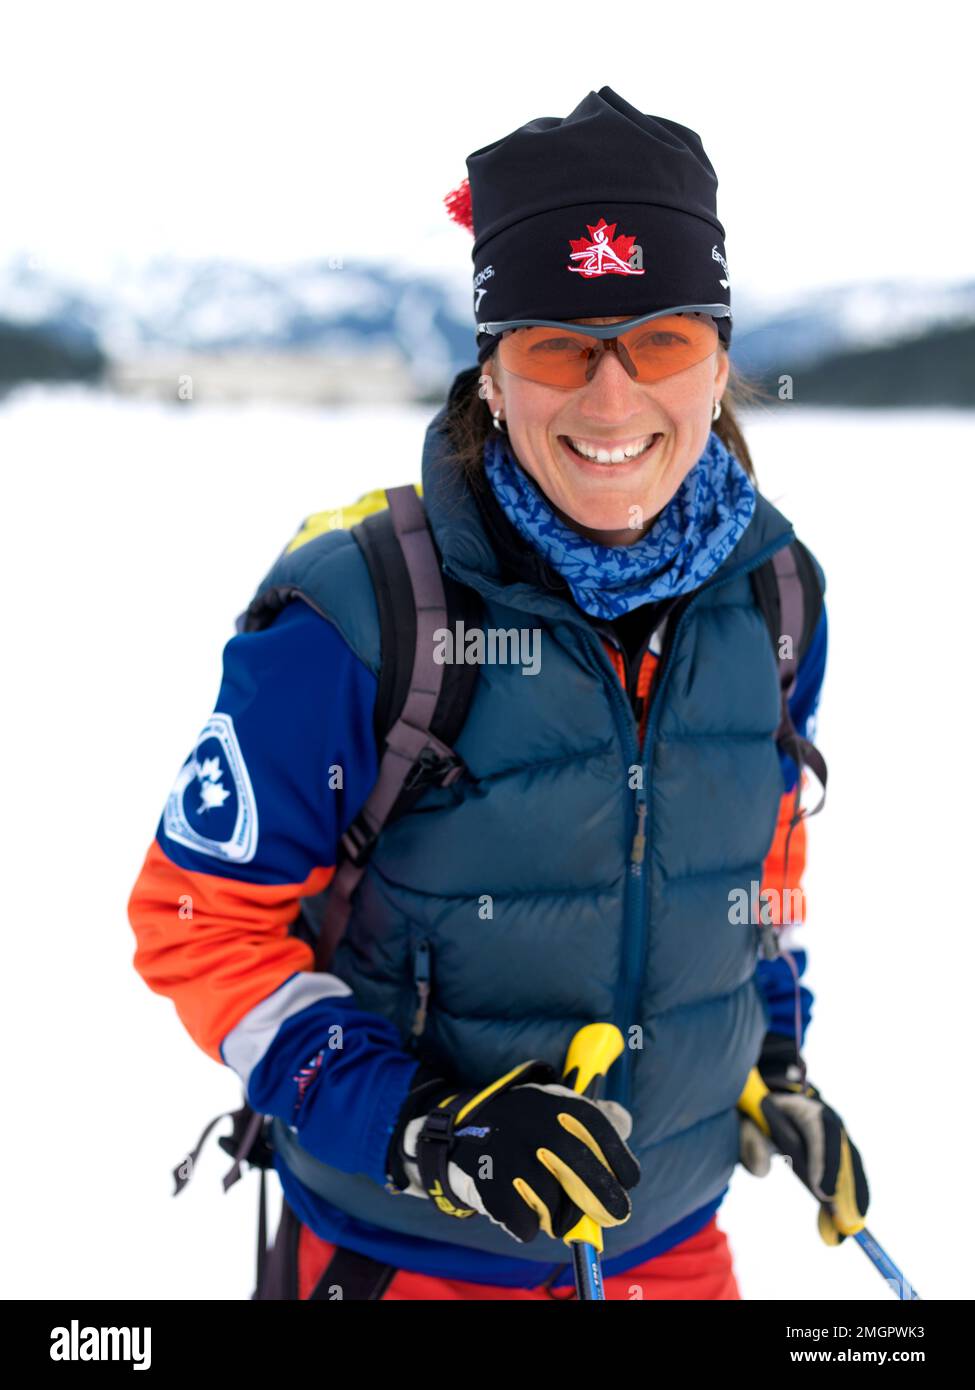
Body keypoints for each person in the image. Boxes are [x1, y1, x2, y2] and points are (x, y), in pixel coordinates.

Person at [127, 86, 869, 1300]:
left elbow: (758, 870)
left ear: (723, 357)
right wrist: (427, 1130)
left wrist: (773, 1062)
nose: (613, 399)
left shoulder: (778, 600)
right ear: (493, 373)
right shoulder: (360, 613)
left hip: (672, 1249)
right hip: (406, 1258)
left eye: (663, 340)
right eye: (559, 345)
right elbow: (201, 926)